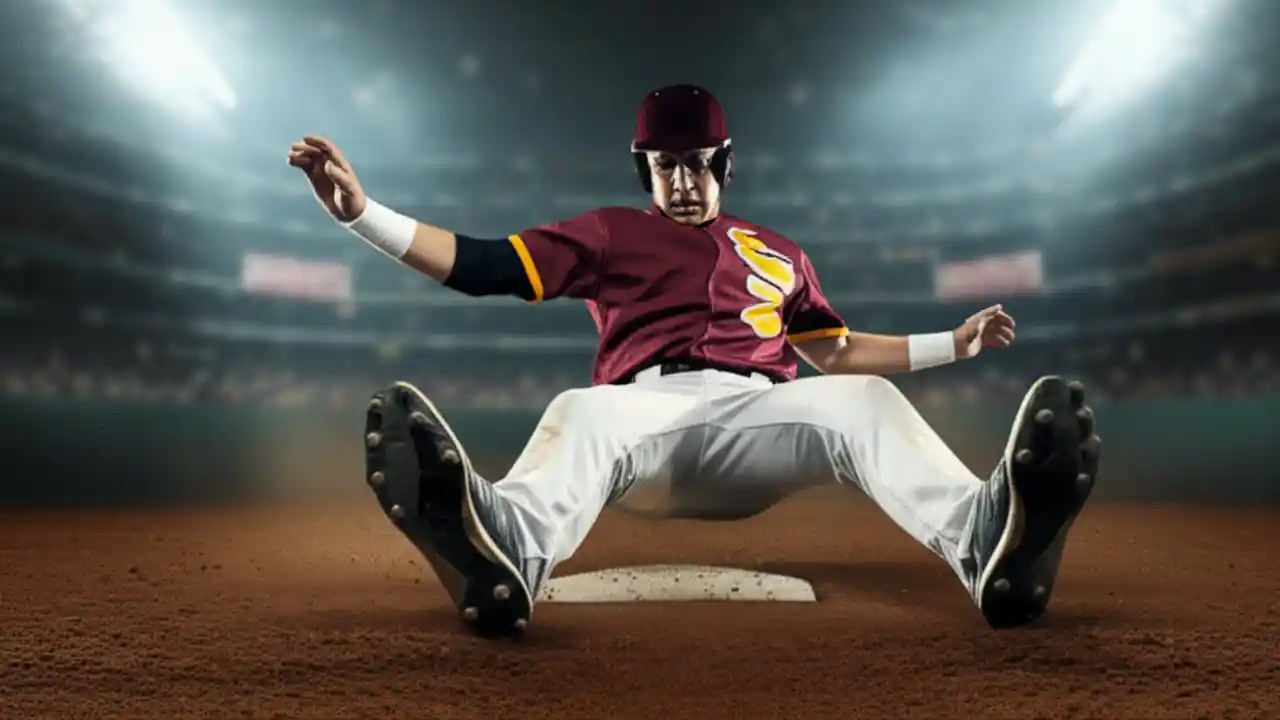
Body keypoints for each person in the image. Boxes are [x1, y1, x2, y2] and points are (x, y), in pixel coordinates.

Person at [287, 84, 1100, 637]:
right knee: (580, 409)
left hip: (761, 420)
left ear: (725, 160)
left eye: (698, 161)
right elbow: (485, 264)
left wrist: (951, 343)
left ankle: (991, 540)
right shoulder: (610, 232)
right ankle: (503, 553)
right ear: (644, 168)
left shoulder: (782, 253)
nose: (682, 178)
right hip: (645, 420)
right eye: (666, 163)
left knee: (866, 403)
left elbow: (837, 351)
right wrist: (365, 218)